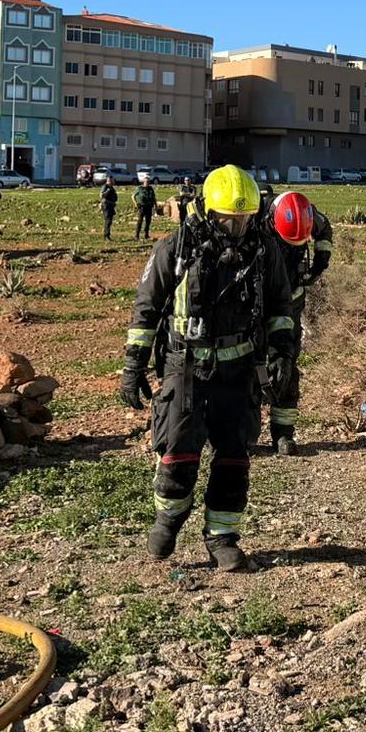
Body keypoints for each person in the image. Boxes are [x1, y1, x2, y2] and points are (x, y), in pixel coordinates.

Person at [119, 165, 296, 570]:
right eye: (227, 220)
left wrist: (283, 353)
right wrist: (133, 366)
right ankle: (170, 515)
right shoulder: (174, 251)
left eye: (244, 220)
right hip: (185, 366)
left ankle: (222, 538)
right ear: (205, 212)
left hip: (239, 371)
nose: (236, 229)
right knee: (178, 452)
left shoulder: (266, 253)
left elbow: (281, 310)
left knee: (234, 456)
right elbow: (146, 310)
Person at [256, 189, 331, 455]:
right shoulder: (255, 217)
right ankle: (244, 429)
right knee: (246, 361)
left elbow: (325, 230)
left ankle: (283, 433)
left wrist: (321, 259)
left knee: (286, 363)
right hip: (258, 305)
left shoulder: (308, 214)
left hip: (291, 300)